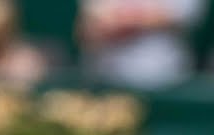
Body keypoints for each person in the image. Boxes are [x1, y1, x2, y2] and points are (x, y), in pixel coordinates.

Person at [76, 0, 205, 89]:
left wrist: (122, 21)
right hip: (105, 82)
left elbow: (182, 16)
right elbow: (86, 28)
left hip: (162, 80)